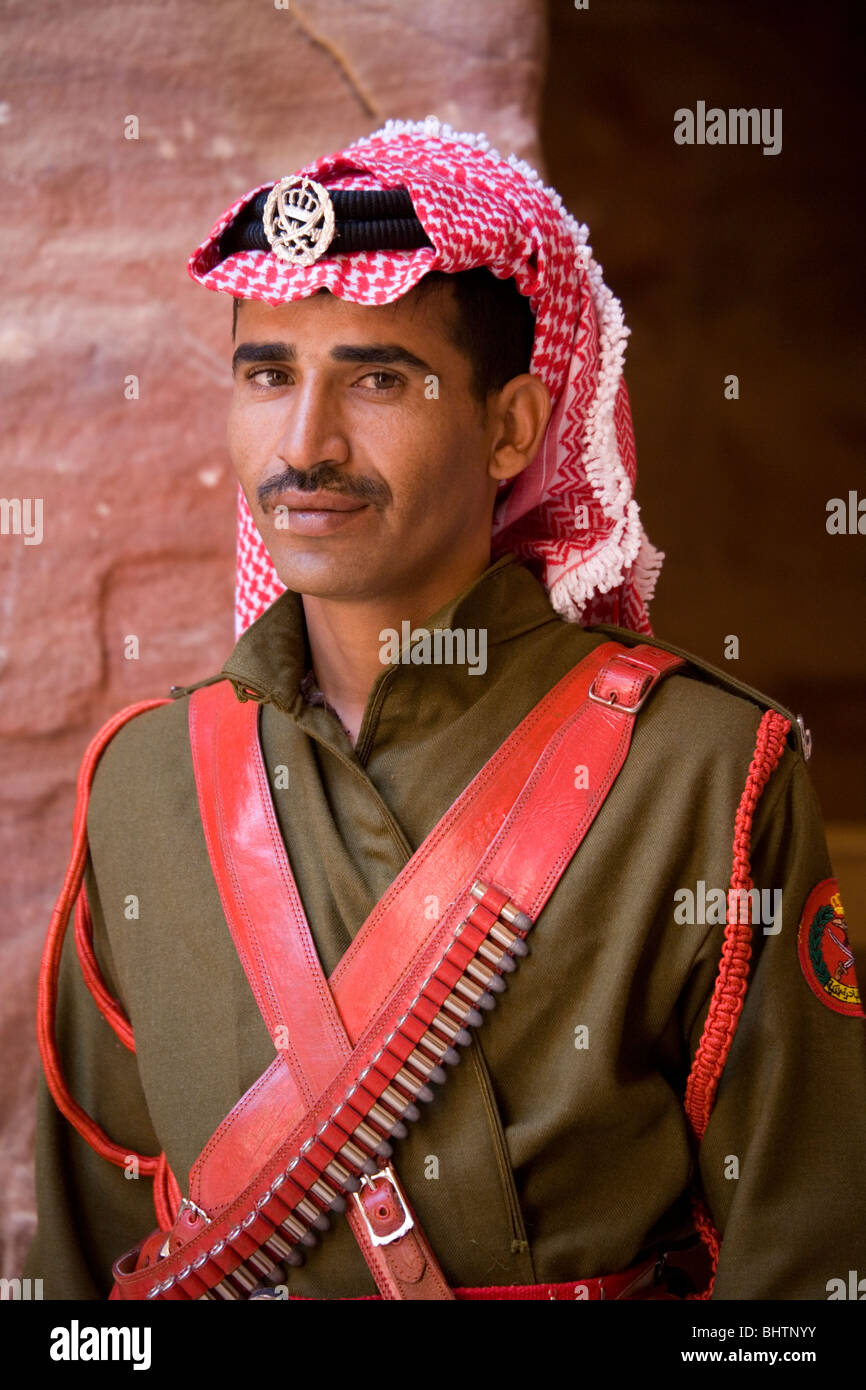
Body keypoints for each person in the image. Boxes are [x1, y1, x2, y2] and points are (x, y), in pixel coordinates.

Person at [25, 117, 866, 1301]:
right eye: (268, 374)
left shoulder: (703, 775)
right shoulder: (150, 780)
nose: (303, 445)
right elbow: (85, 1275)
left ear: (510, 425)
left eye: (376, 377)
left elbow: (807, 1278)